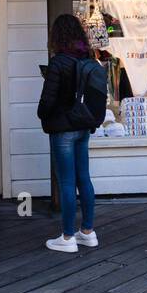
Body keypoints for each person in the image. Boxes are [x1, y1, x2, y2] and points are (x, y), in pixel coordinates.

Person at [36, 14, 99, 253]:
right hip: (83, 125)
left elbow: (48, 100)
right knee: (84, 178)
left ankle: (68, 236)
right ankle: (88, 232)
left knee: (66, 182)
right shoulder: (88, 59)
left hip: (63, 129)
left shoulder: (59, 62)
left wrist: (42, 114)